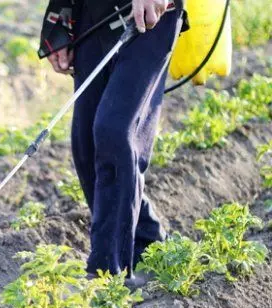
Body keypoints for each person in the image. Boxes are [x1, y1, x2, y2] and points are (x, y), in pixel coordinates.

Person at [39, 0, 188, 285]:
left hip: (149, 13)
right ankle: (148, 242)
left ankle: (108, 274)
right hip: (92, 14)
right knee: (86, 145)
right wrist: (60, 24)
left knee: (116, 132)